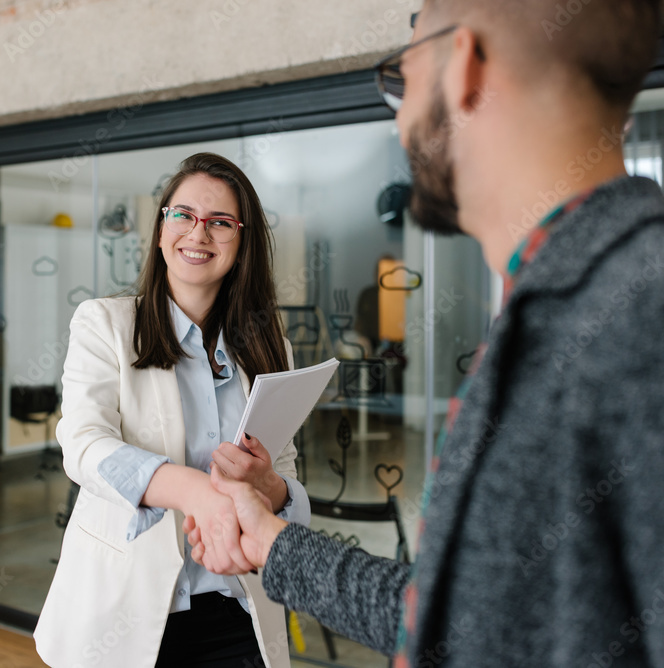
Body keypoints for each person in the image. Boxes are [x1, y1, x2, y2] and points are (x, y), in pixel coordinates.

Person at [187, 1, 664, 666]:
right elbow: (460, 617)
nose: (402, 118)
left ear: (463, 65)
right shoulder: (550, 308)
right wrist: (271, 543)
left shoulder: (639, 311)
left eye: (400, 80)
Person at [33, 152, 311, 668]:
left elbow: (285, 471)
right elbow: (84, 445)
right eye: (182, 215)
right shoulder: (104, 325)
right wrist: (193, 491)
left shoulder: (271, 348)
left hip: (239, 611)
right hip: (126, 616)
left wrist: (273, 489)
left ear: (242, 241)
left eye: (220, 222)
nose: (197, 233)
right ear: (162, 231)